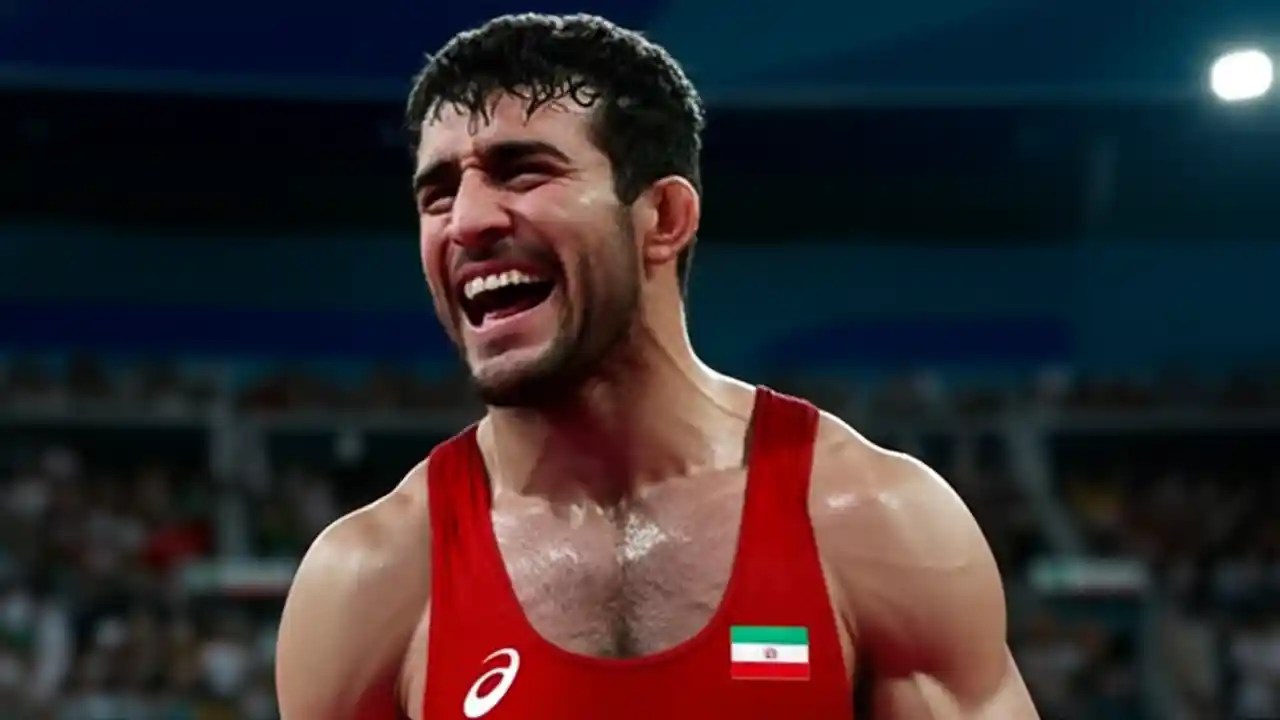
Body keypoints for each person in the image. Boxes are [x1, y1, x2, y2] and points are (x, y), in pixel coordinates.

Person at [275, 13, 1039, 719]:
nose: (467, 222)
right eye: (438, 193)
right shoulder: (372, 580)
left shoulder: (874, 525)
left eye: (523, 171)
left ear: (665, 218)